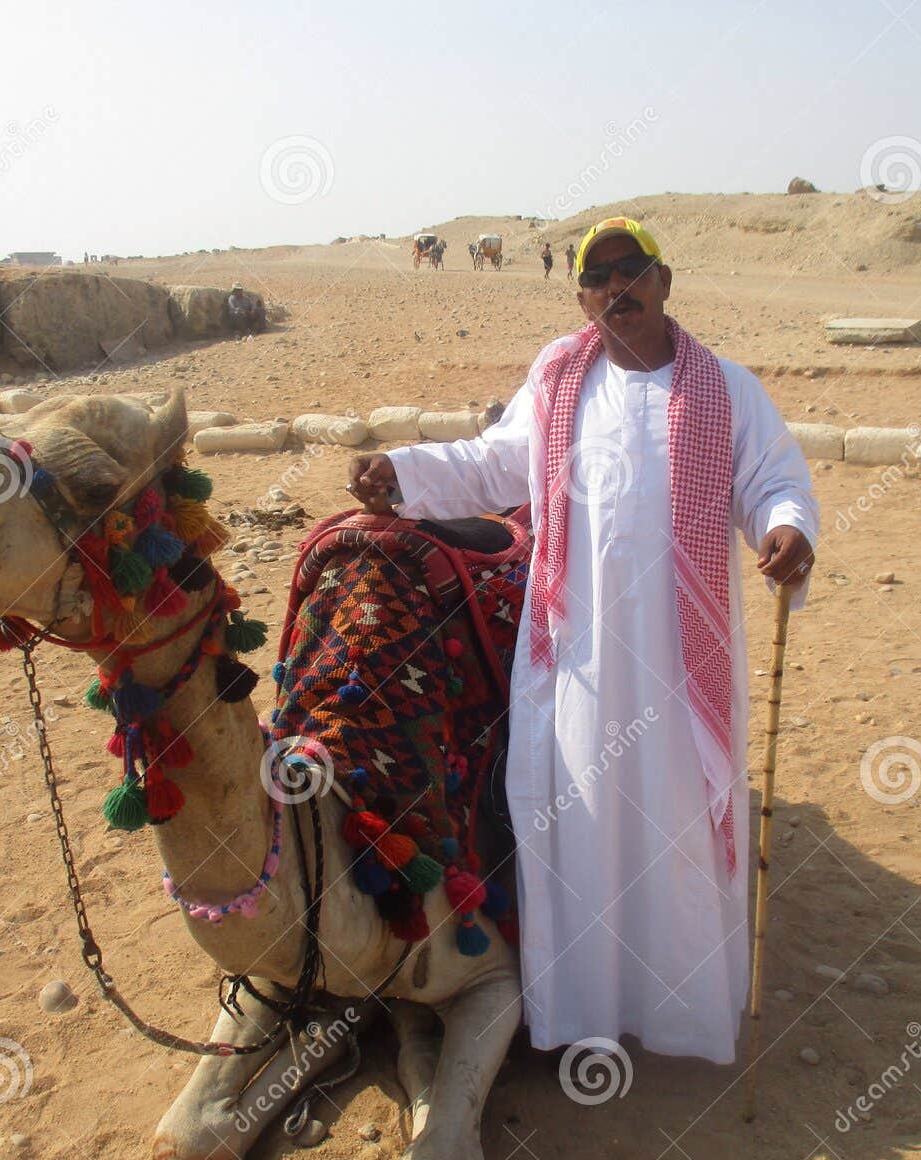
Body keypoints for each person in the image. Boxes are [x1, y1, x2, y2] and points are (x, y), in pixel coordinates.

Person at [348, 216, 818, 1064]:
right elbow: (493, 465)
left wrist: (787, 526)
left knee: (672, 829)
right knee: (582, 824)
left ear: (665, 280)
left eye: (630, 272)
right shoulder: (560, 381)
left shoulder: (725, 390)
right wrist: (406, 474)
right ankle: (583, 1012)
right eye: (597, 280)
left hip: (678, 668)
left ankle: (677, 1020)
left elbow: (774, 478)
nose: (616, 291)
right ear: (581, 298)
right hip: (578, 662)